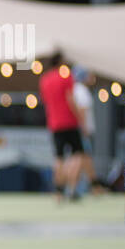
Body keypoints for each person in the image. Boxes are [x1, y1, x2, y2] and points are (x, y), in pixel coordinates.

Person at [38, 54, 82, 202]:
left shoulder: (44, 80)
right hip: (70, 121)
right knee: (78, 155)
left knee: (58, 158)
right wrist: (80, 119)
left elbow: (45, 101)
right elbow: (71, 99)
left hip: (54, 123)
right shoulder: (66, 77)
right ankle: (72, 188)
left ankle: (58, 190)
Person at [71, 66, 98, 197]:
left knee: (86, 159)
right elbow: (82, 110)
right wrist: (84, 127)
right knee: (80, 158)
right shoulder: (81, 91)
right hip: (82, 130)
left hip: (79, 129)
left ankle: (94, 187)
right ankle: (72, 188)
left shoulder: (76, 90)